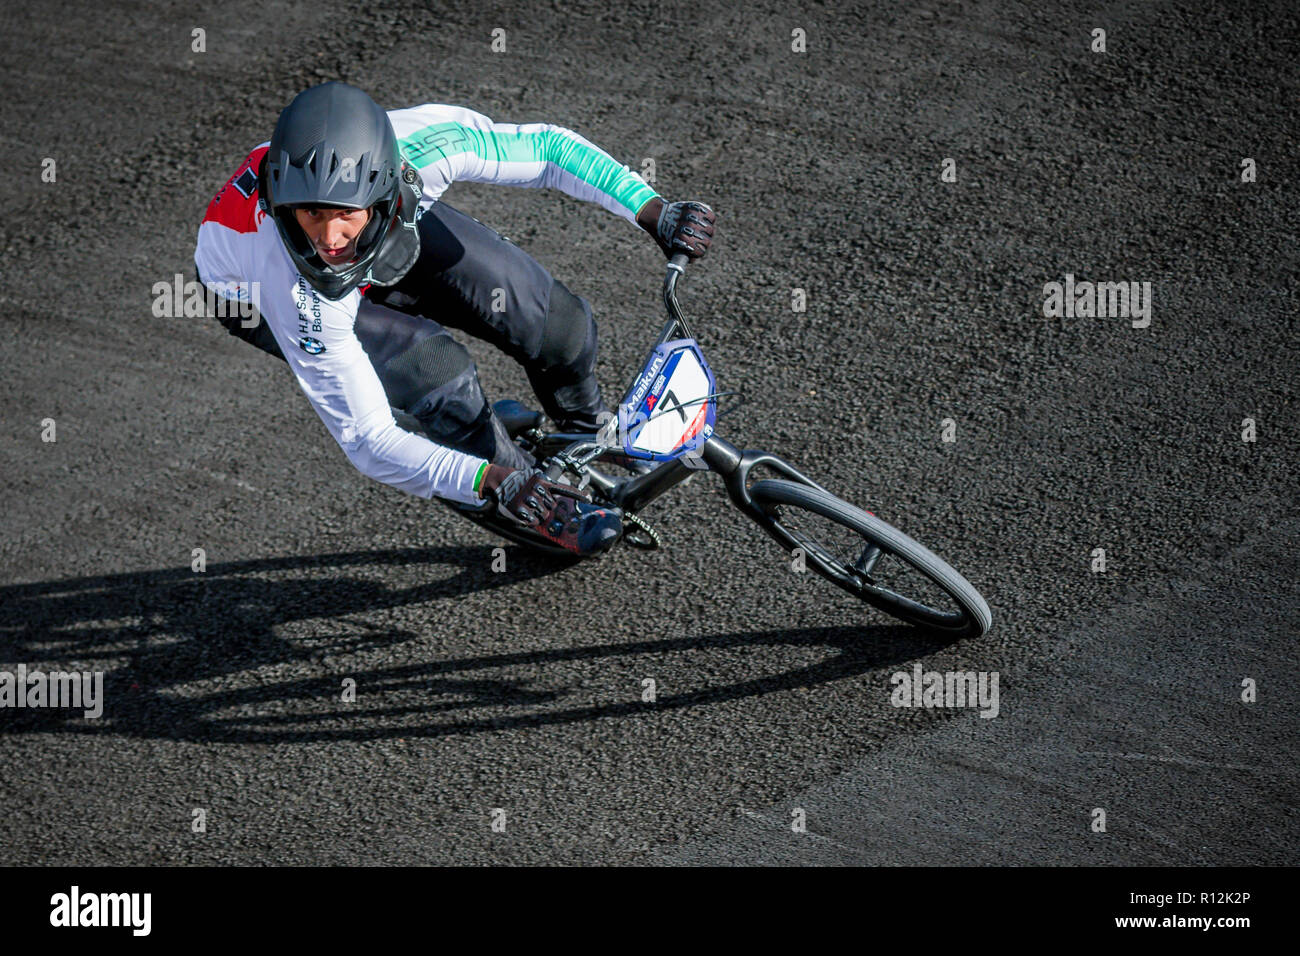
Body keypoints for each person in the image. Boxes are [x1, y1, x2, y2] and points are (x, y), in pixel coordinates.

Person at [194, 81, 715, 555]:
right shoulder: (289, 280)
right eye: (310, 214)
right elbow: (367, 440)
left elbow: (550, 151)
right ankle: (521, 483)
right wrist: (496, 483)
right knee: (440, 377)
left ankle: (587, 425)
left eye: (344, 213)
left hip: (392, 237)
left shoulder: (427, 143)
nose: (329, 240)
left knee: (557, 324)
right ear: (284, 203)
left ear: (384, 189)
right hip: (259, 298)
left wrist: (654, 211)